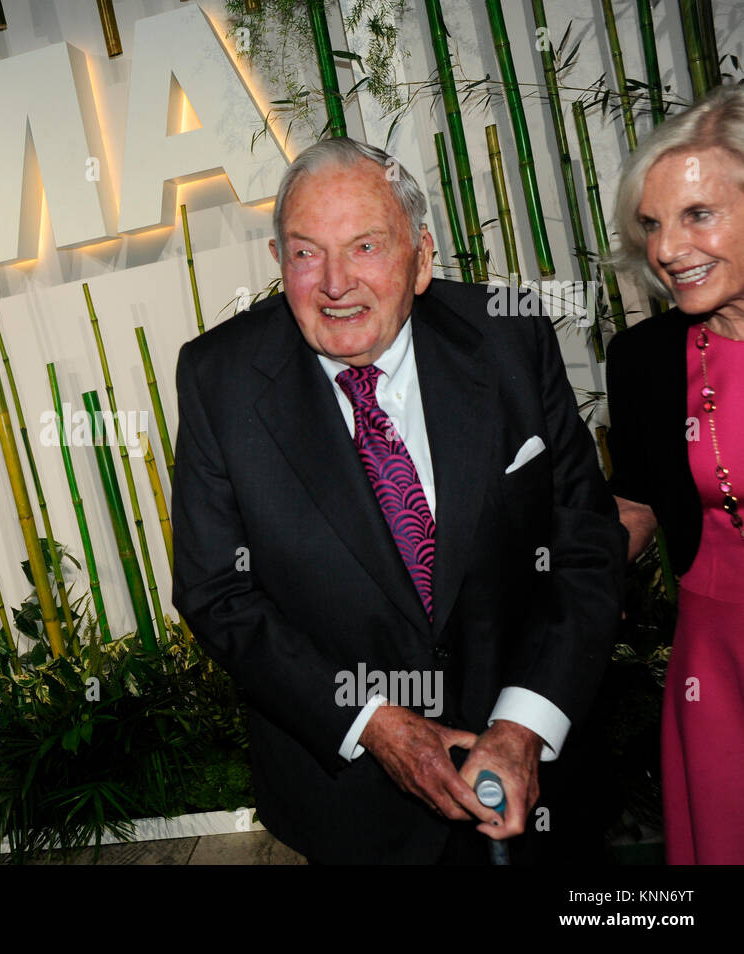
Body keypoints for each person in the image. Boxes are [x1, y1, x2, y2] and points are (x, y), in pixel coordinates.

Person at [171, 137, 626, 864]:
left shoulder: (509, 336)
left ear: (422, 258)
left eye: (366, 247)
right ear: (278, 260)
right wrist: (375, 722)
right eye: (305, 253)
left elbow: (583, 546)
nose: (335, 283)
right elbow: (217, 591)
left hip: (538, 778)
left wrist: (520, 727)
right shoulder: (218, 380)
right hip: (352, 807)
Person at [605, 84, 744, 865]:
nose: (666, 249)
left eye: (698, 215)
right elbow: (635, 508)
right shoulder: (645, 361)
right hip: (717, 663)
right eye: (652, 225)